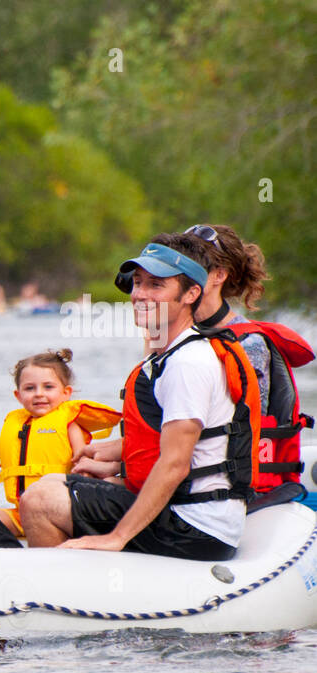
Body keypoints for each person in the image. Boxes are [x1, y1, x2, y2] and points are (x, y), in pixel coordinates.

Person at [19, 234, 261, 559]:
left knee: (40, 501)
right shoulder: (168, 353)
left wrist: (116, 537)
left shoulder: (188, 362)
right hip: (185, 509)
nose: (139, 295)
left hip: (197, 525)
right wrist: (116, 463)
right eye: (137, 282)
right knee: (49, 483)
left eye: (156, 285)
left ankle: (53, 601)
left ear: (191, 293)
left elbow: (174, 465)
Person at [181, 224, 312, 497]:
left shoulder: (249, 345)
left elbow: (226, 429)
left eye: (190, 266)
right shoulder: (177, 335)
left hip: (231, 486)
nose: (179, 273)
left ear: (218, 275)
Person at [0, 349, 120, 536]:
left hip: (57, 509)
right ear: (18, 395)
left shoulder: (69, 425)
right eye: (29, 388)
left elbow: (83, 462)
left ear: (66, 393)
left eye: (48, 387)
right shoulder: (15, 422)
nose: (39, 394)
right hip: (21, 512)